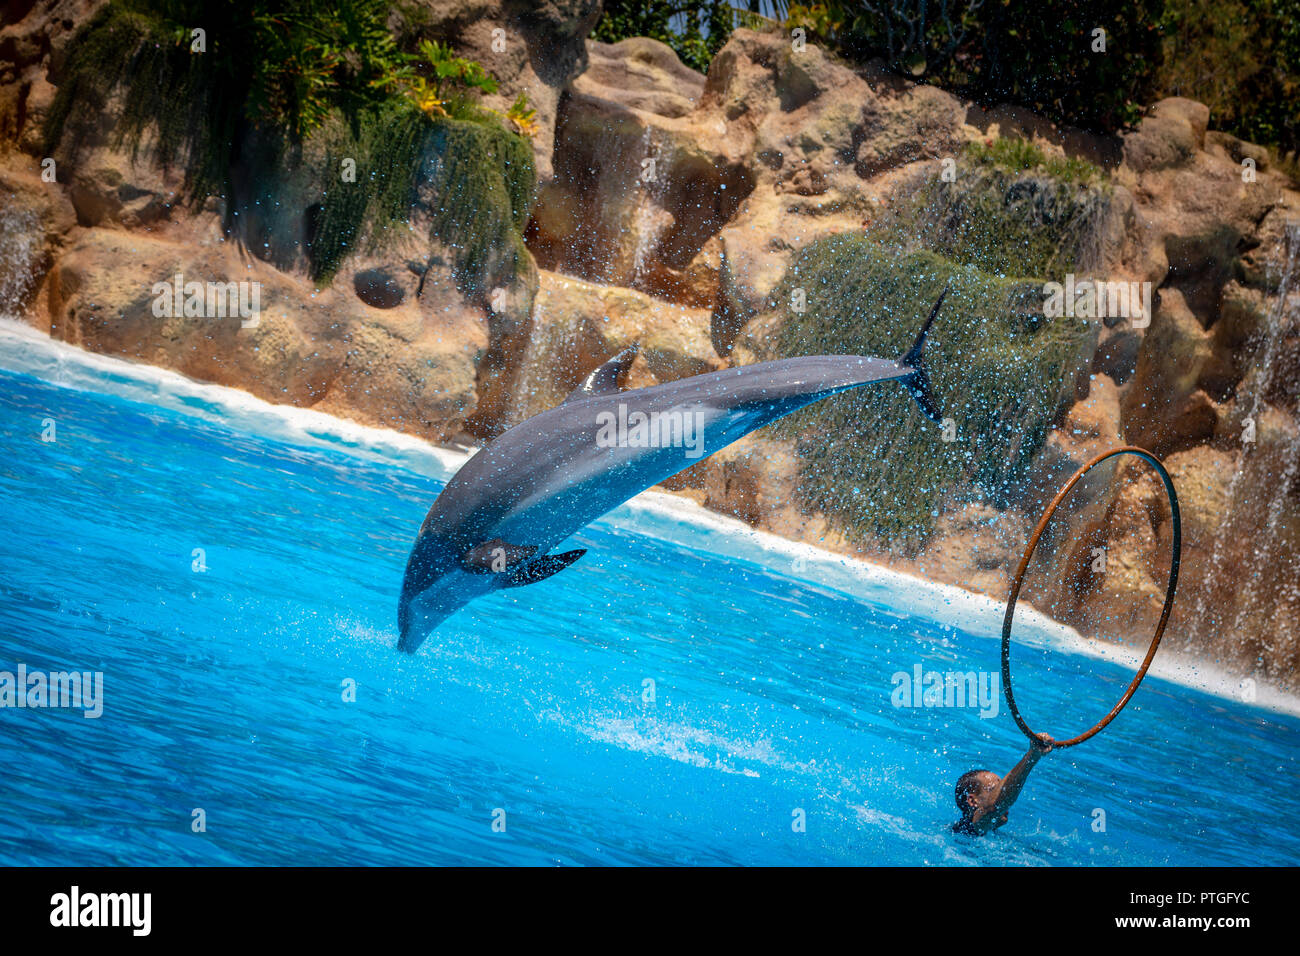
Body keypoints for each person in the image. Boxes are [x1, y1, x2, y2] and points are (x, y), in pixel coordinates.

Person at [951, 733, 1053, 836]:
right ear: (972, 801)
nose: (1005, 792)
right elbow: (992, 807)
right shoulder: (973, 826)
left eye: (1002, 787)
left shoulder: (990, 835)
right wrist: (1032, 755)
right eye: (995, 789)